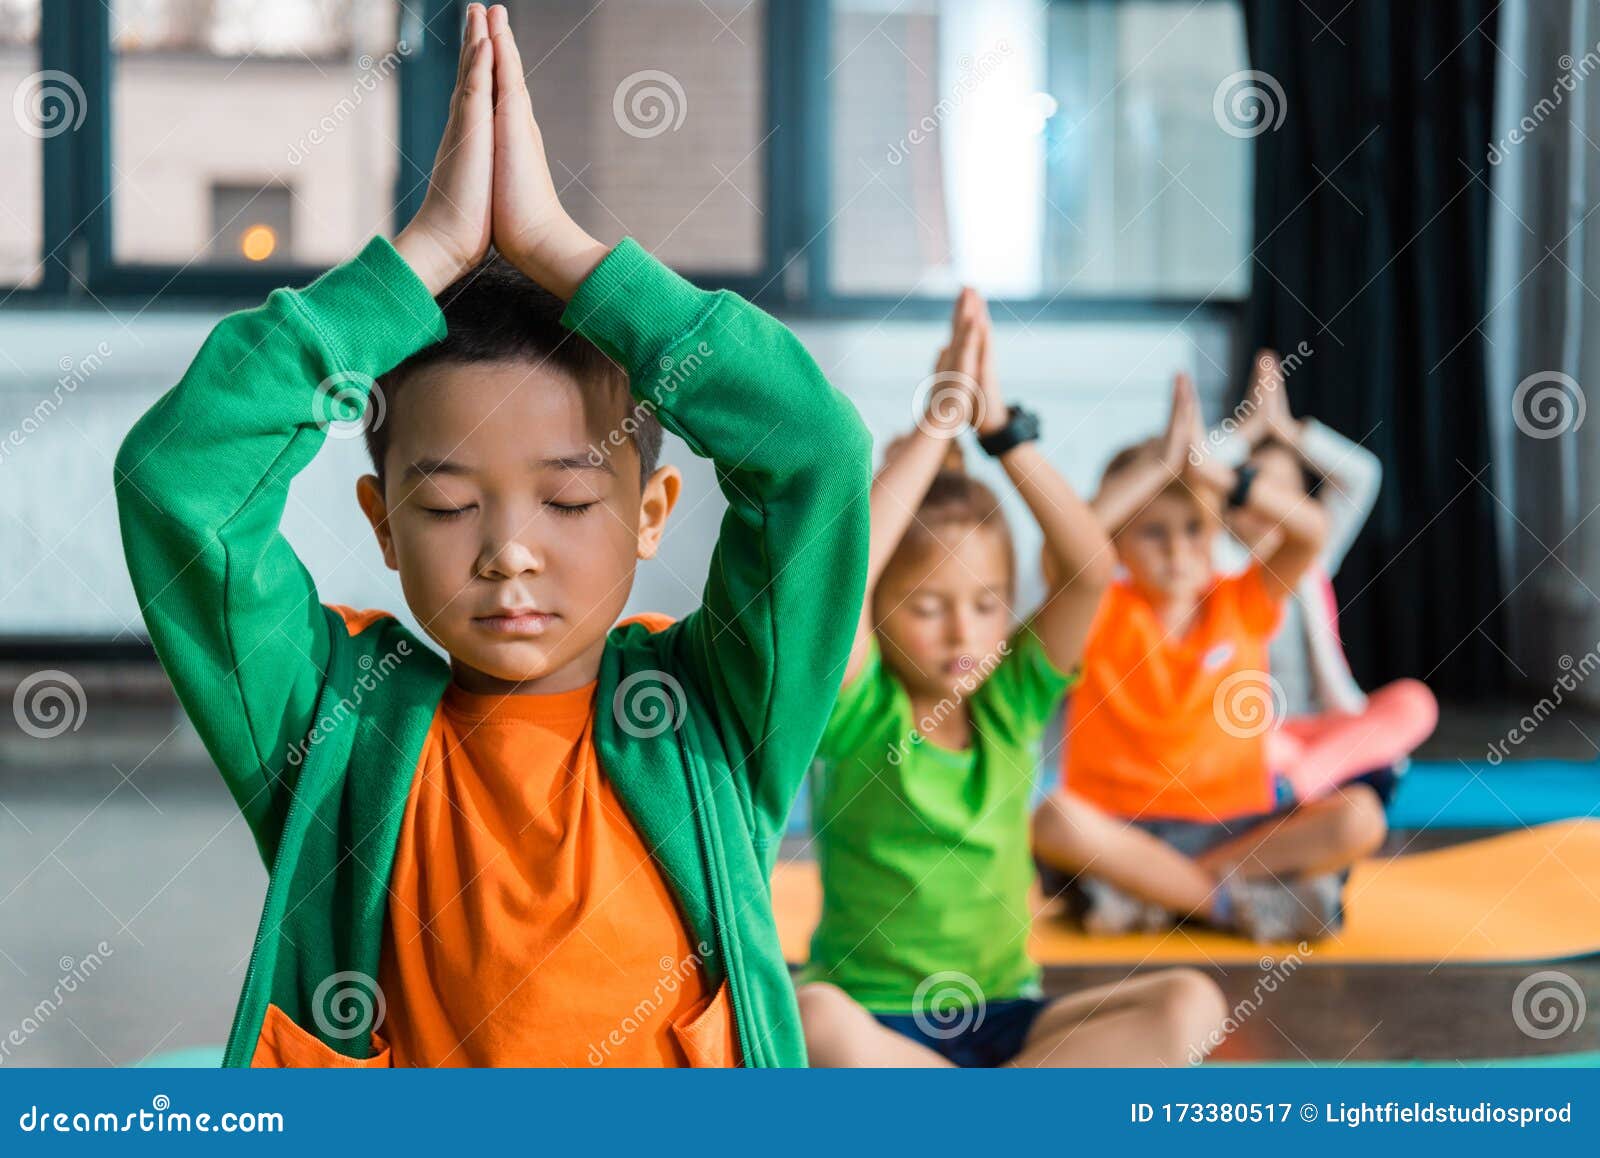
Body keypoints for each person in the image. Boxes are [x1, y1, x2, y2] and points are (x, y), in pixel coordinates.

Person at [114, 4, 870, 1068]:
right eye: (447, 505)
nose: (509, 550)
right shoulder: (333, 724)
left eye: (565, 503)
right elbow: (179, 482)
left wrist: (566, 254)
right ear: (383, 524)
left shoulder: (715, 711)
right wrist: (420, 258)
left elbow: (814, 455)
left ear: (650, 517)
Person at [795, 291, 1227, 1067]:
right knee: (812, 1016)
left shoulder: (1011, 700)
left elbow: (1091, 567)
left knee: (1191, 1001)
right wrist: (938, 421)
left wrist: (1000, 431)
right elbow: (841, 574)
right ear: (881, 614)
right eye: (928, 607)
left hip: (1008, 1019)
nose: (964, 631)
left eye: (986, 604)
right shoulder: (859, 708)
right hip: (880, 1024)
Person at [1032, 374, 1387, 942]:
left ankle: (1157, 895)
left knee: (1360, 816)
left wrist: (1218, 476)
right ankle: (1226, 905)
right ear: (1117, 541)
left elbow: (1309, 531)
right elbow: (1063, 547)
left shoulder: (1242, 598)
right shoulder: (1098, 606)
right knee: (1055, 819)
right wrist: (1157, 470)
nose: (1177, 551)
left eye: (1195, 529)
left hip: (1232, 833)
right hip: (1121, 829)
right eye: (1153, 533)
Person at [1214, 350, 1437, 804]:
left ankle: (1299, 786)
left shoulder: (1314, 561)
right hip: (1259, 735)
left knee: (1415, 702)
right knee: (1246, 747)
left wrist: (1288, 430)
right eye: (1256, 489)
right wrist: (1249, 430)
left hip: (1327, 727)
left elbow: (1363, 475)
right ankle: (1335, 775)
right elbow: (1190, 480)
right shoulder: (1218, 564)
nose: (1269, 504)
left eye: (1283, 491)